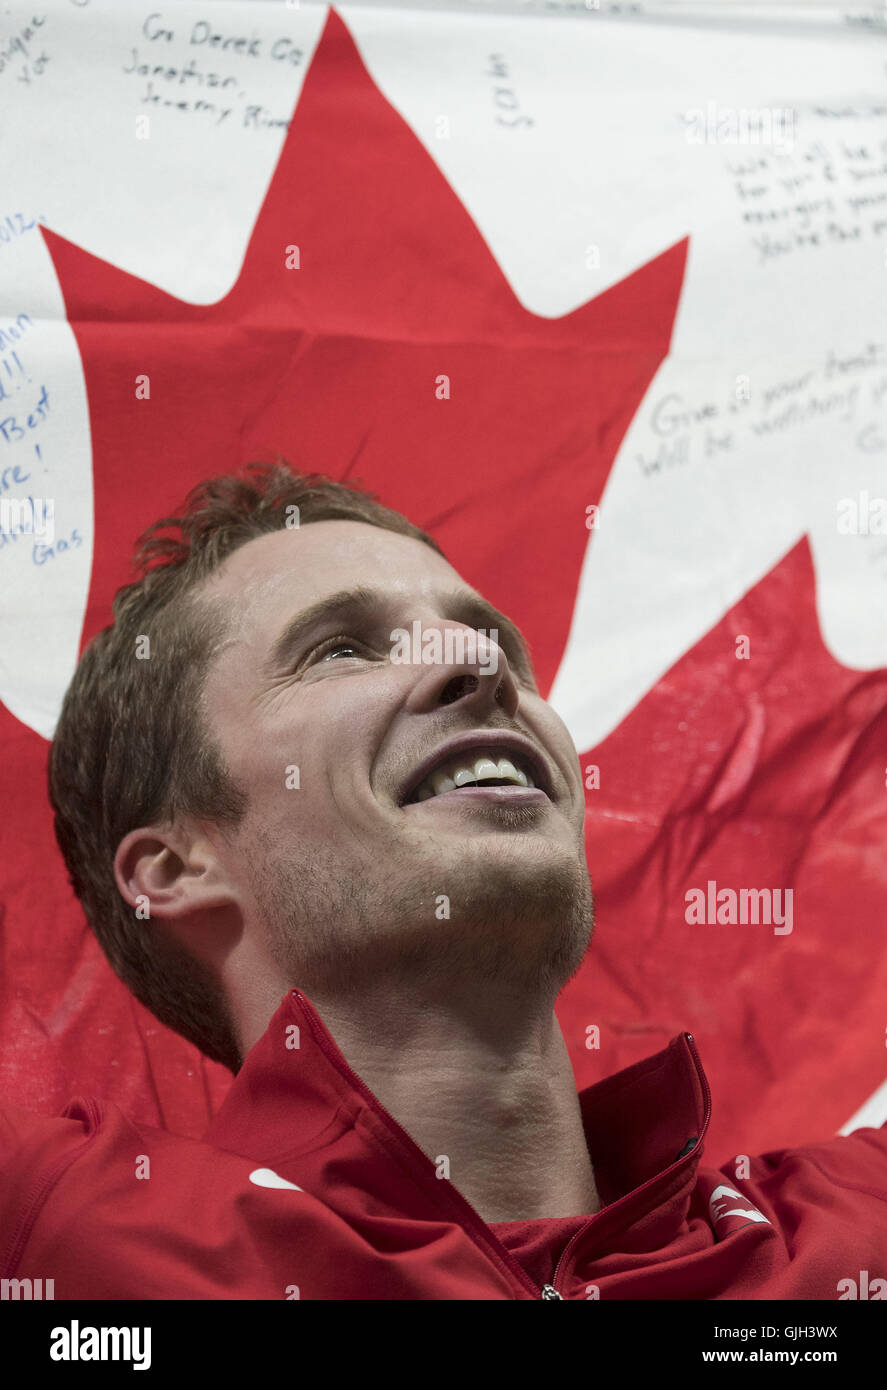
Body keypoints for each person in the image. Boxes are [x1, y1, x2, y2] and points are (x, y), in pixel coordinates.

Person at [1, 460, 884, 1301]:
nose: (482, 668)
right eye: (341, 649)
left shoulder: (856, 1230)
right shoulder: (67, 1236)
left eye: (490, 640)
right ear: (174, 868)